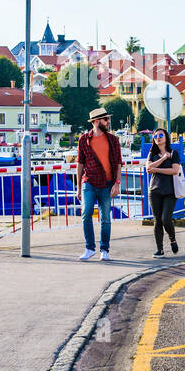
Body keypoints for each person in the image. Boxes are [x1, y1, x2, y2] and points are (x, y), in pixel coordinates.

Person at [76, 107, 123, 261]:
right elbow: (80, 164)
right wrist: (78, 188)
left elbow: (118, 163)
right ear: (96, 122)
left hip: (107, 183)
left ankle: (104, 249)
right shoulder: (84, 139)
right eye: (105, 119)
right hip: (88, 182)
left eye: (108, 119)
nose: (108, 122)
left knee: (105, 218)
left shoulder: (113, 139)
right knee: (86, 214)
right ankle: (89, 248)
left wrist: (117, 183)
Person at [146, 129, 183, 257]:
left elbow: (174, 170)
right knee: (157, 221)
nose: (158, 137)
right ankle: (160, 250)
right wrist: (163, 159)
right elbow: (148, 168)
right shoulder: (152, 153)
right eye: (155, 136)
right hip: (154, 191)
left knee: (165, 218)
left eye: (160, 135)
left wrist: (156, 169)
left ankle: (172, 239)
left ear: (166, 137)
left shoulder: (174, 153)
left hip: (169, 191)